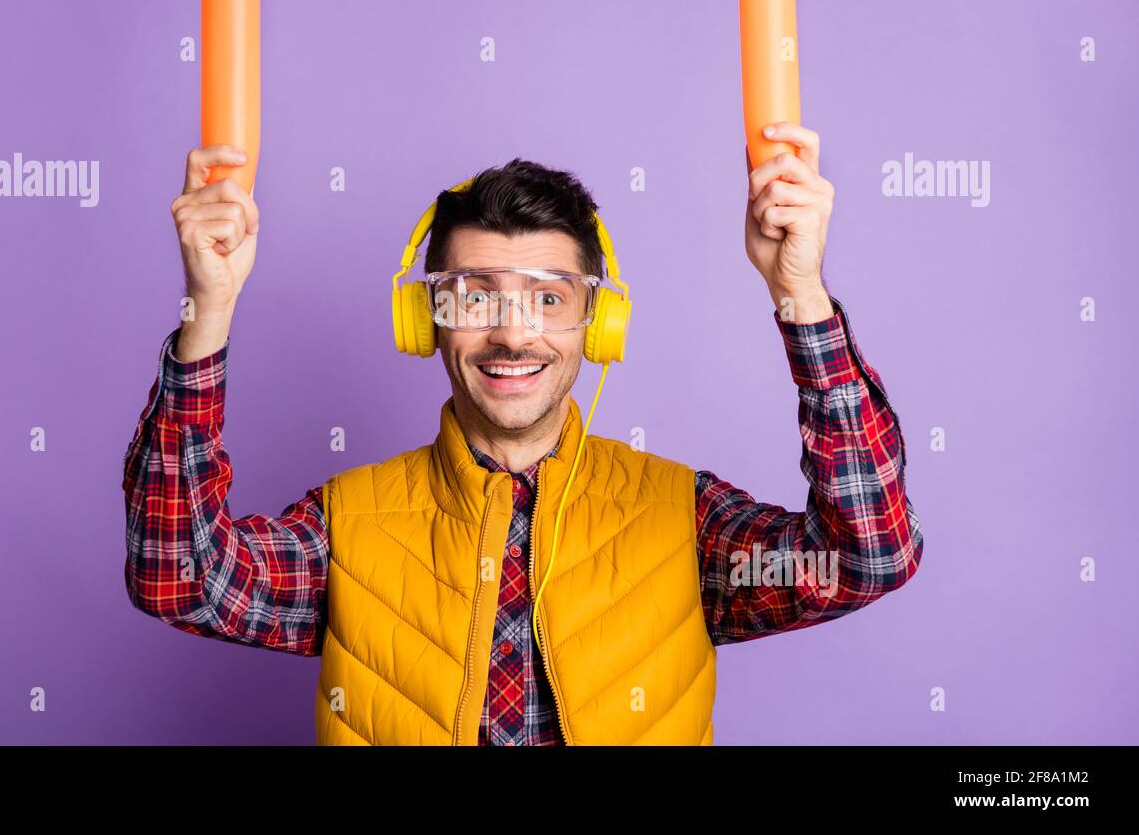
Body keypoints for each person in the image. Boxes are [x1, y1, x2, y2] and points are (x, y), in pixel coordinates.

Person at [122, 122, 923, 745]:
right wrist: (210, 306)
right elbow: (180, 577)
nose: (512, 333)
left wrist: (801, 292)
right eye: (474, 294)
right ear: (423, 321)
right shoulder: (349, 524)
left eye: (549, 297)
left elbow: (867, 556)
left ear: (598, 324)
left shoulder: (685, 522)